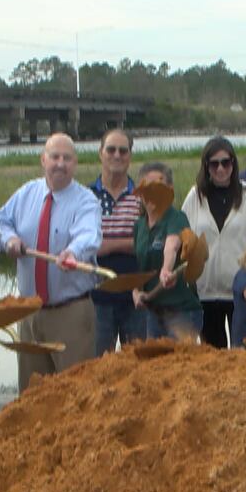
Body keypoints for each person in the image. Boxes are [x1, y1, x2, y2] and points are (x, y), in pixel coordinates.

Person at [0, 133, 103, 389]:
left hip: (70, 313)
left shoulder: (86, 200)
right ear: (43, 160)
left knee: (75, 391)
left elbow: (89, 235)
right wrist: (9, 240)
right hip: (30, 312)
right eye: (55, 157)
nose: (60, 164)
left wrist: (73, 253)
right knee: (32, 392)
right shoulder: (26, 194)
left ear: (75, 163)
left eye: (67, 158)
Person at [181, 136, 246, 348]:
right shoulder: (195, 197)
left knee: (244, 354)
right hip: (205, 292)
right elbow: (183, 239)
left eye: (226, 162)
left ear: (234, 163)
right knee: (212, 358)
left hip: (242, 293)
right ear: (206, 166)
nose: (220, 169)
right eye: (214, 164)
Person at [89, 129, 146, 354]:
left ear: (130, 156)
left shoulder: (143, 196)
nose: (117, 155)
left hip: (135, 297)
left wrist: (110, 245)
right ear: (100, 154)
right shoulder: (86, 197)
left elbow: (148, 241)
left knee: (138, 364)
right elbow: (82, 244)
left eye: (123, 151)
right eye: (111, 150)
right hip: (96, 297)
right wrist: (129, 241)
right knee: (97, 366)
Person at [130, 163, 202, 339]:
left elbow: (172, 244)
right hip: (153, 312)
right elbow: (139, 266)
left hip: (181, 312)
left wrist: (166, 269)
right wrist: (136, 292)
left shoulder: (177, 218)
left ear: (169, 189)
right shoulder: (139, 225)